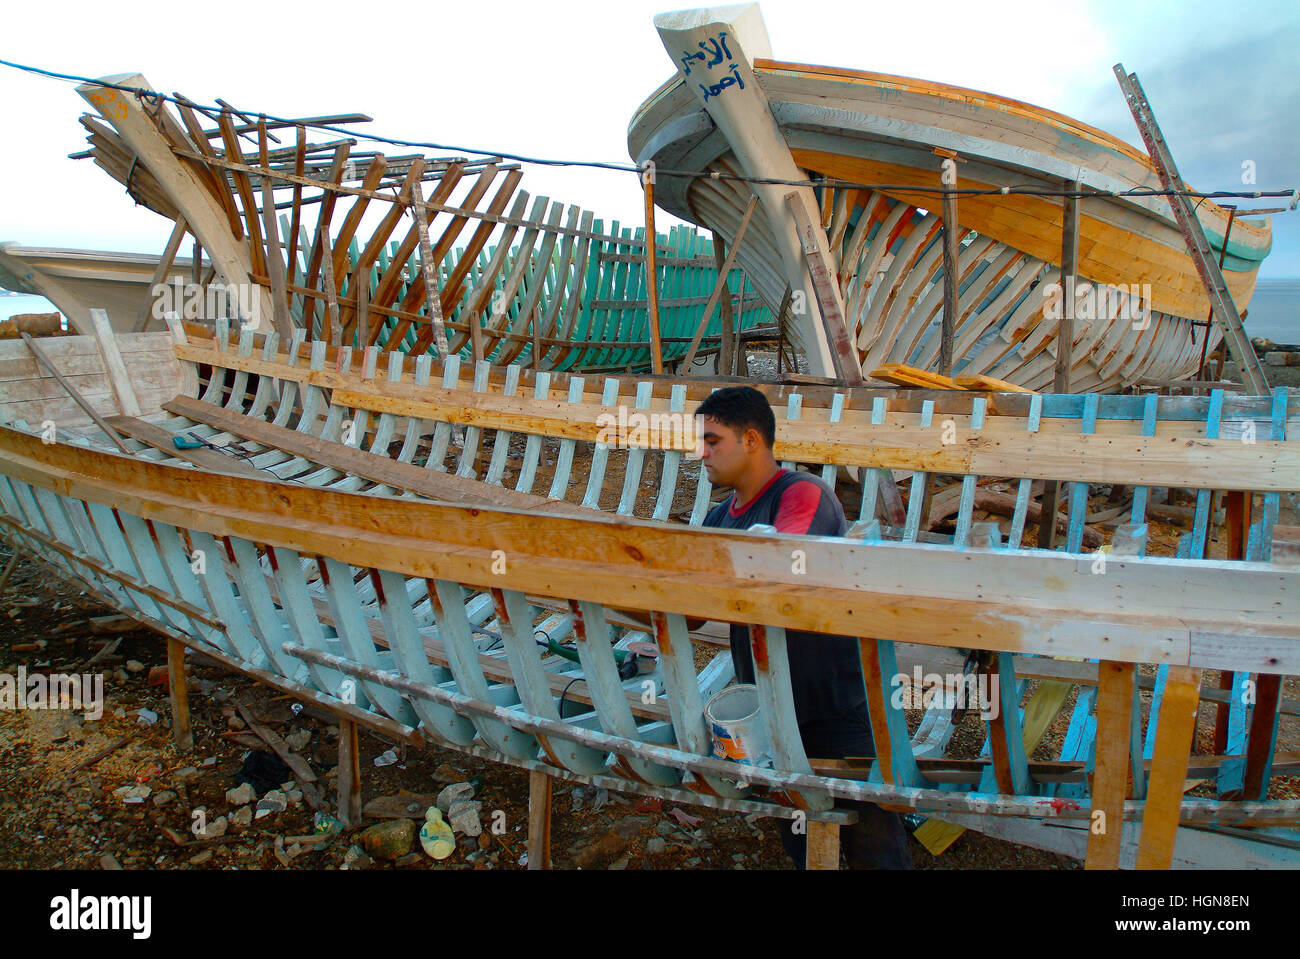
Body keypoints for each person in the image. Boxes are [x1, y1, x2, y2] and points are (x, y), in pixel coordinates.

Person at [695, 385, 912, 870]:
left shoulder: (803, 494)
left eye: (713, 441)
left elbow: (780, 565)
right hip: (766, 704)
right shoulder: (717, 518)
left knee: (872, 830)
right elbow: (693, 608)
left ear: (751, 440)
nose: (702, 453)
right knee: (797, 826)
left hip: (834, 699)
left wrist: (703, 579)